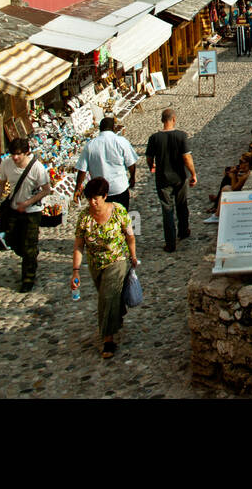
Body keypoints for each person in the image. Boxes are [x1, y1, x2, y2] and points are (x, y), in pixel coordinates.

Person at [71, 177, 138, 359]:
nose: (93, 202)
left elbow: (129, 235)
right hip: (96, 264)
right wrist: (75, 270)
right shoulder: (84, 218)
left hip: (117, 260)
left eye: (96, 198)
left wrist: (133, 255)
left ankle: (107, 339)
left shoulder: (118, 211)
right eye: (90, 198)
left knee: (107, 297)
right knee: (108, 296)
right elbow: (79, 246)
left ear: (105, 196)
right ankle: (116, 315)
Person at [0, 138, 53, 292]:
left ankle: (28, 278)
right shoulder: (6, 164)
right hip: (14, 209)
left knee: (29, 245)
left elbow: (46, 189)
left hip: (32, 212)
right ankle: (31, 255)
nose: (15, 158)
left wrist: (28, 202)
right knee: (11, 239)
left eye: (18, 154)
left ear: (26, 153)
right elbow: (1, 185)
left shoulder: (37, 168)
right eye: (12, 154)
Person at [145, 108, 196, 252]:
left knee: (167, 209)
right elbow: (186, 157)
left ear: (162, 120)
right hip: (179, 176)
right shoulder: (181, 136)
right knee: (182, 204)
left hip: (162, 178)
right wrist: (193, 174)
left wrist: (152, 166)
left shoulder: (154, 138)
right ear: (174, 119)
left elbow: (149, 158)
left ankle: (170, 242)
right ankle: (184, 230)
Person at [74, 117, 138, 210]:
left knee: (103, 219)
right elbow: (131, 163)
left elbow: (82, 170)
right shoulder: (121, 142)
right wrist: (132, 177)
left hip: (99, 192)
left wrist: (77, 188)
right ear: (113, 128)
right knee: (121, 217)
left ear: (100, 129)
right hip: (119, 188)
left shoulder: (90, 145)